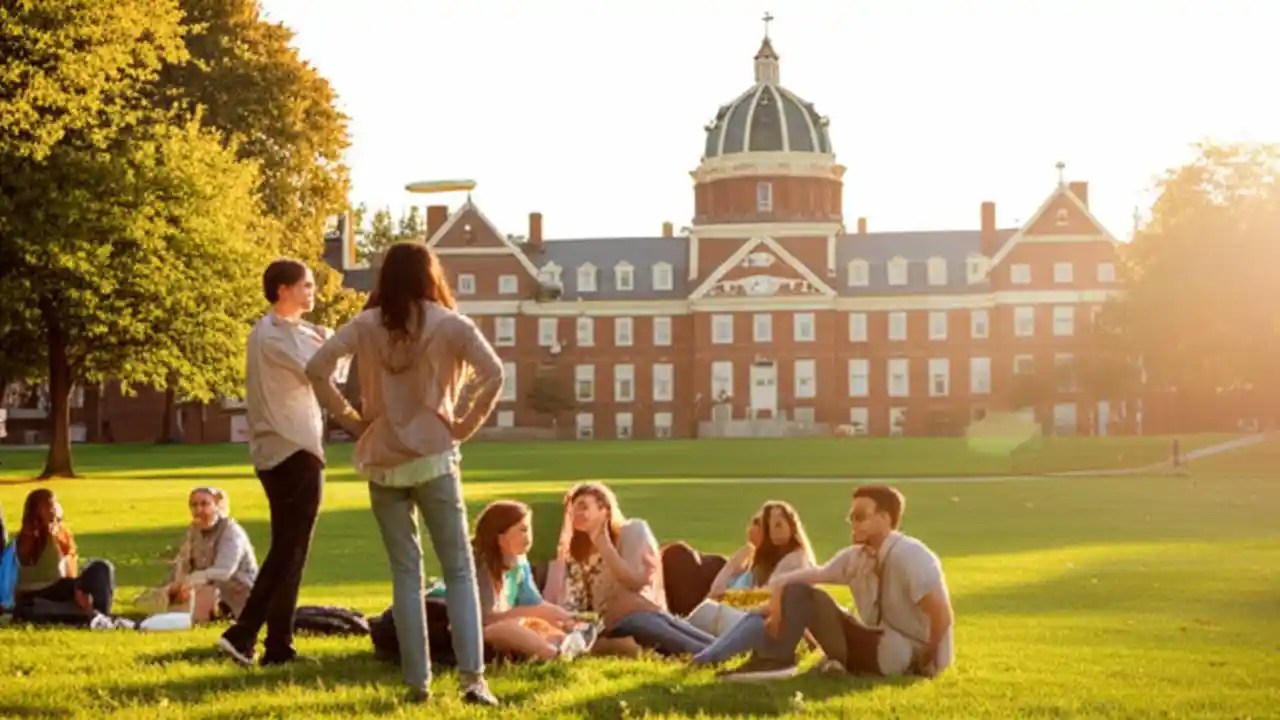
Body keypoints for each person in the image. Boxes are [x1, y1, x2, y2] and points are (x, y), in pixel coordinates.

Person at [305, 241, 504, 706]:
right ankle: (473, 680)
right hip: (434, 455)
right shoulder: (451, 323)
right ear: (430, 275)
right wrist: (464, 424)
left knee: (405, 573)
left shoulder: (366, 324)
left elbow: (317, 368)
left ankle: (418, 684)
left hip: (382, 458)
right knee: (457, 570)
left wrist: (353, 419)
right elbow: (493, 373)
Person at [719, 484, 955, 682]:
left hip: (904, 654)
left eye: (860, 516)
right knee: (801, 590)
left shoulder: (910, 554)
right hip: (880, 645)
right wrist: (779, 590)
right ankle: (784, 660)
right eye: (850, 516)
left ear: (885, 519)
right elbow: (815, 574)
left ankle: (777, 662)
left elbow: (941, 613)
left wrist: (928, 658)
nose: (852, 522)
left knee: (806, 595)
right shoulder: (857, 556)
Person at [218, 258, 329, 667]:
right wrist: (339, 343)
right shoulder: (272, 337)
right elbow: (320, 372)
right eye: (306, 285)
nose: (312, 292)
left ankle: (279, 646)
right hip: (291, 451)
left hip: (290, 450)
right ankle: (243, 632)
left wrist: (329, 340)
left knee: (292, 550)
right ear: (283, 290)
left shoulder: (297, 332)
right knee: (288, 549)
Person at [543, 482, 714, 657]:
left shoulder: (628, 533)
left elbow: (634, 588)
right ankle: (709, 653)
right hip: (597, 625)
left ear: (605, 510)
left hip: (631, 615)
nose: (576, 514)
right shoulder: (566, 552)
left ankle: (717, 649)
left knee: (652, 620)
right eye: (572, 510)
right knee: (642, 621)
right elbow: (551, 598)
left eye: (583, 507)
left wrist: (604, 545)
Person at [691, 501, 817, 665]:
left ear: (792, 525)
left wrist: (751, 609)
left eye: (779, 524)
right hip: (760, 620)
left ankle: (703, 658)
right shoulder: (765, 560)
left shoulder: (796, 559)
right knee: (709, 612)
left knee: (713, 612)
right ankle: (702, 654)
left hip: (778, 629)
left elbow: (779, 602)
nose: (773, 530)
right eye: (770, 525)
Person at [470, 500, 596, 660]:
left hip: (503, 625)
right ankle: (555, 655)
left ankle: (567, 643)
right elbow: (486, 619)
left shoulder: (519, 560)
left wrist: (568, 618)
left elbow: (534, 603)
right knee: (509, 629)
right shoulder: (480, 565)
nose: (528, 536)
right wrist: (533, 613)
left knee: (540, 624)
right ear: (500, 536)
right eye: (522, 530)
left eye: (529, 529)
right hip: (475, 633)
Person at [150, 487, 258, 622]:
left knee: (202, 589)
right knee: (167, 595)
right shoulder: (194, 530)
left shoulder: (231, 532)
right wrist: (178, 584)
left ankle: (211, 615)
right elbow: (184, 563)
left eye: (204, 504)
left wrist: (193, 580)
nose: (198, 510)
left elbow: (225, 572)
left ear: (217, 506)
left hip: (239, 590)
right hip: (209, 586)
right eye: (194, 505)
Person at [13, 489, 115, 619]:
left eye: (55, 503)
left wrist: (77, 588)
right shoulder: (28, 537)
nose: (54, 507)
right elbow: (30, 559)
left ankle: (97, 615)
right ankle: (96, 617)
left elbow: (69, 571)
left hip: (61, 589)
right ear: (37, 510)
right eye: (50, 504)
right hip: (38, 594)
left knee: (100, 568)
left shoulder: (59, 533)